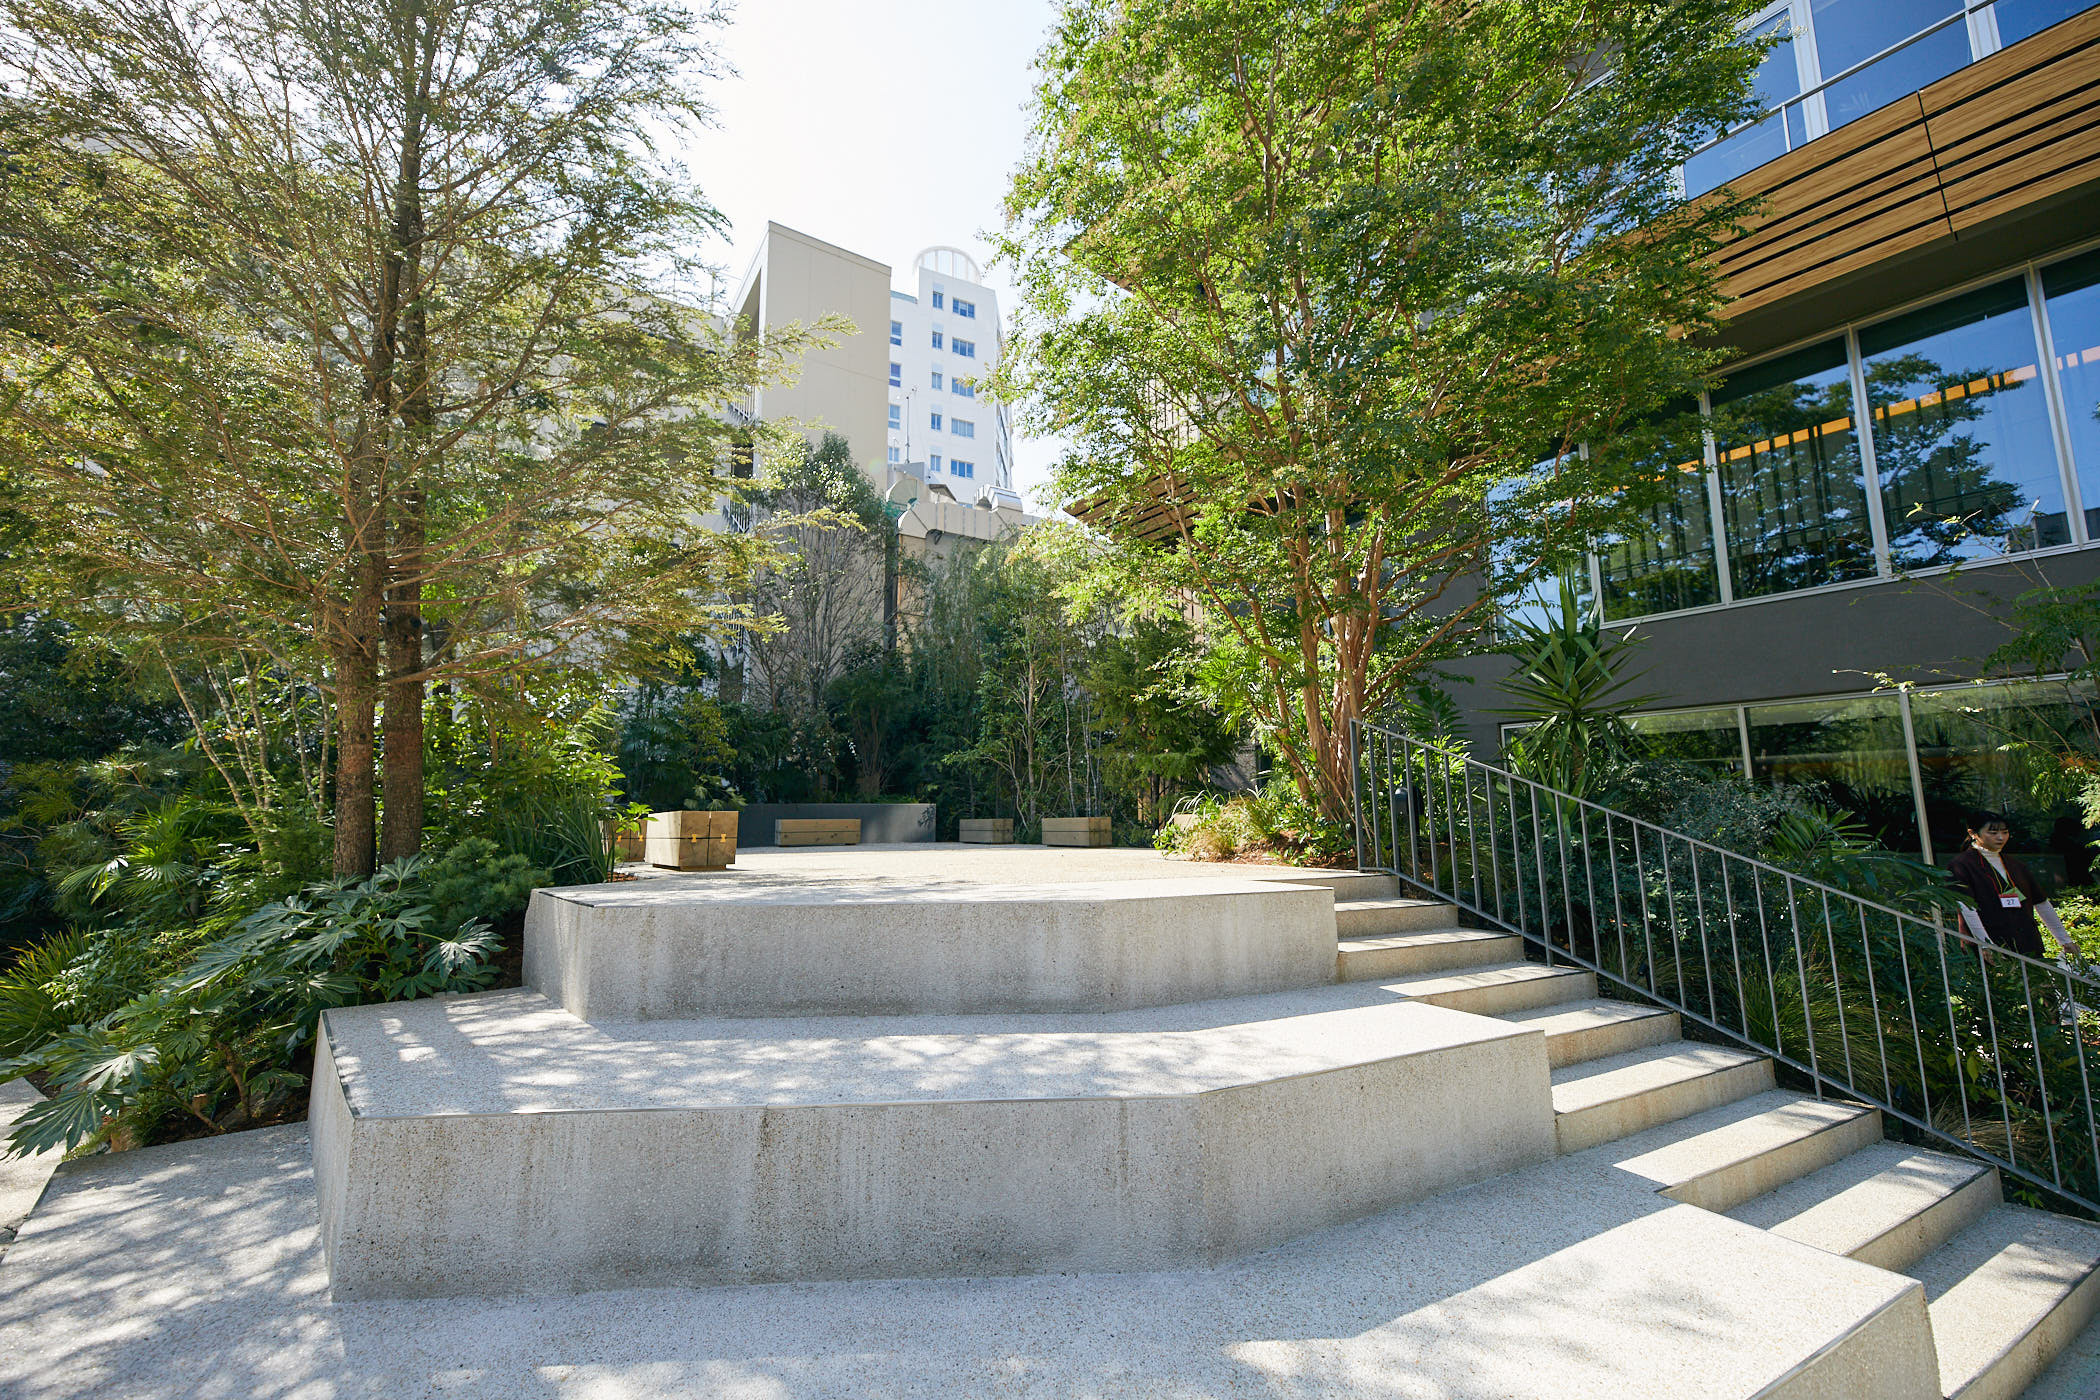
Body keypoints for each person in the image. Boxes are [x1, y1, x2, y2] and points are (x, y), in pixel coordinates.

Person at [1949, 810, 2075, 960]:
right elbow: (1966, 907)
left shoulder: (2015, 865)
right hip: (1992, 948)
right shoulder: (1962, 865)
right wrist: (1984, 944)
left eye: (2005, 832)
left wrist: (2065, 940)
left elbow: (2041, 902)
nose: (2000, 837)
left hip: (2026, 943)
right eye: (1993, 833)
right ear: (1973, 833)